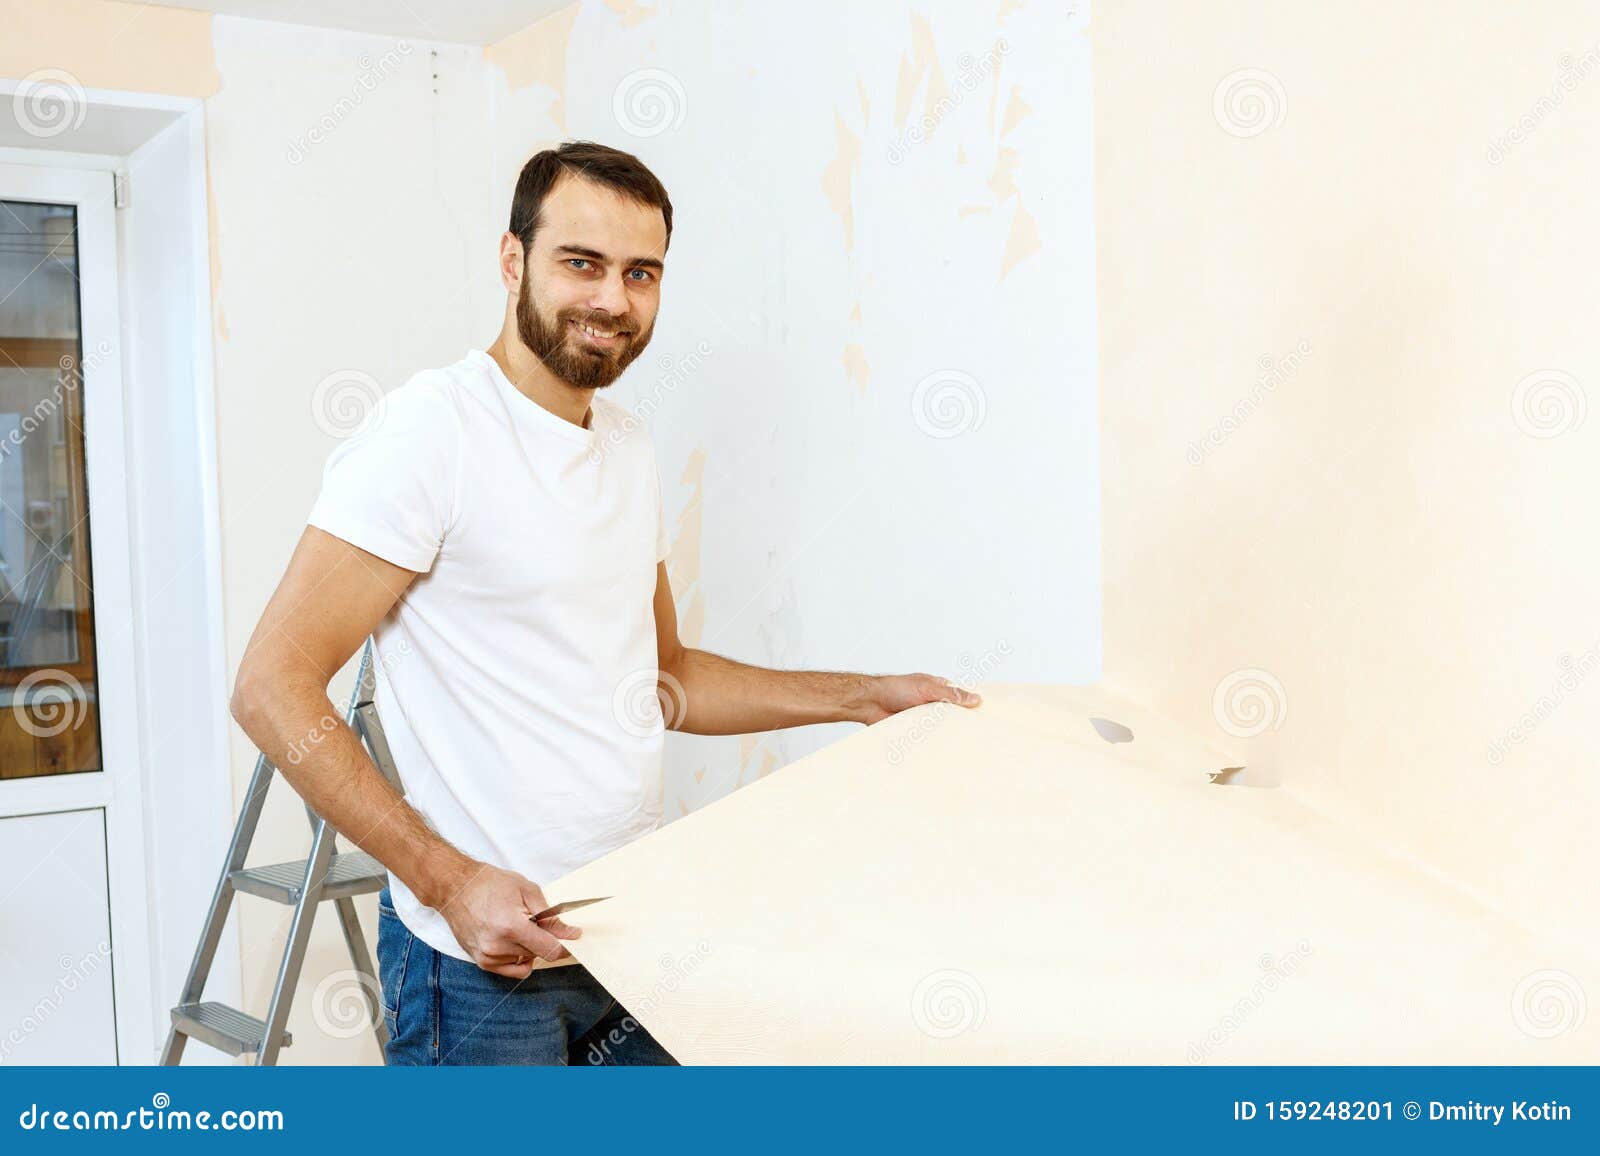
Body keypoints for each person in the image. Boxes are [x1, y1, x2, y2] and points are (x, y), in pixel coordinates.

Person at [230, 140, 981, 1066]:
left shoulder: (626, 445)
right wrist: (448, 880)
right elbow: (271, 686)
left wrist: (869, 697)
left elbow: (667, 677)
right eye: (580, 263)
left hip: (632, 932)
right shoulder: (431, 433)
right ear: (513, 261)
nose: (613, 300)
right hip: (477, 964)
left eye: (641, 272)